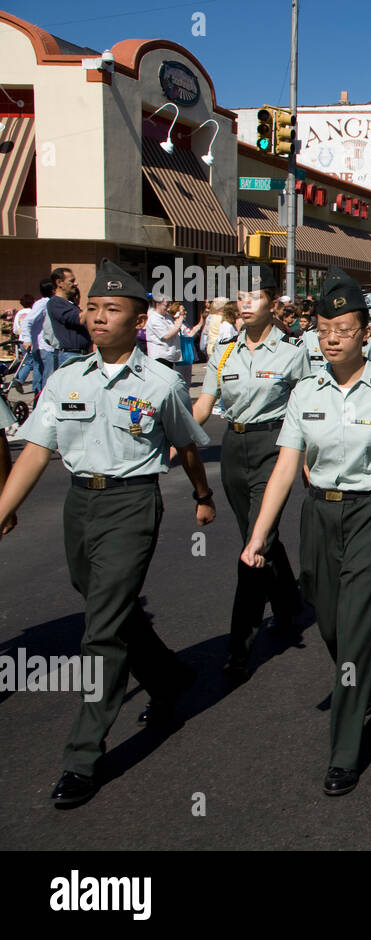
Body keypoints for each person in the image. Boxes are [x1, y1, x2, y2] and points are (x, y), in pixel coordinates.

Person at [0, 259, 215, 809]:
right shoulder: (65, 378)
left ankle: (83, 755)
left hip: (131, 503)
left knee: (100, 632)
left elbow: (187, 446)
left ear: (138, 320)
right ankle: (167, 678)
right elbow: (37, 450)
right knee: (102, 604)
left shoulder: (161, 382)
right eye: (92, 307)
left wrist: (202, 494)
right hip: (80, 503)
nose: (97, 317)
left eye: (111, 309)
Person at [240, 267, 371, 797]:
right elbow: (286, 467)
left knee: (353, 629)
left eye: (343, 328)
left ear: (364, 334)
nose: (331, 337)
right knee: (326, 616)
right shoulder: (304, 391)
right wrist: (259, 535)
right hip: (319, 515)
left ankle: (345, 749)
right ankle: (361, 665)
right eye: (323, 328)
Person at [191, 264, 311, 680]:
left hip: (274, 446)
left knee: (256, 545)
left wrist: (310, 456)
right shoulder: (224, 351)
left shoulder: (293, 352)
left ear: (273, 301)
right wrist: (181, 436)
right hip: (233, 448)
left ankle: (240, 645)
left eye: (254, 295)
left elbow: (308, 406)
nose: (244, 303)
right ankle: (289, 606)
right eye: (240, 296)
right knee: (256, 534)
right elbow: (206, 404)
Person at [145, 295, 183, 368]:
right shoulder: (154, 318)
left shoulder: (167, 316)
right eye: (166, 304)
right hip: (160, 357)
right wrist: (178, 324)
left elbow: (174, 330)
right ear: (158, 304)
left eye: (170, 304)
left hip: (170, 356)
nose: (169, 307)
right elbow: (166, 336)